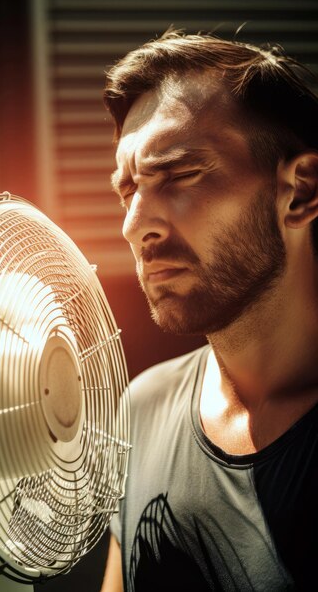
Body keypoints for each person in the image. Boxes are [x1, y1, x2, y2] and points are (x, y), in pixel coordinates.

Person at [100, 31, 318, 591]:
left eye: (178, 174)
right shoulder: (139, 410)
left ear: (299, 192)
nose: (135, 225)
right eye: (128, 191)